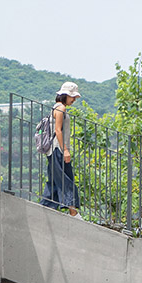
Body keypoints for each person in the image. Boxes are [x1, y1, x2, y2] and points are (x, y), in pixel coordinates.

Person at [41, 81, 82, 214]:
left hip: (54, 150)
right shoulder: (61, 108)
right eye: (72, 97)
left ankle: (46, 206)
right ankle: (72, 210)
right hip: (57, 149)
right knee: (66, 177)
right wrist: (65, 150)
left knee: (54, 179)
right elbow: (58, 130)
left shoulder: (57, 107)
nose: (74, 100)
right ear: (65, 95)